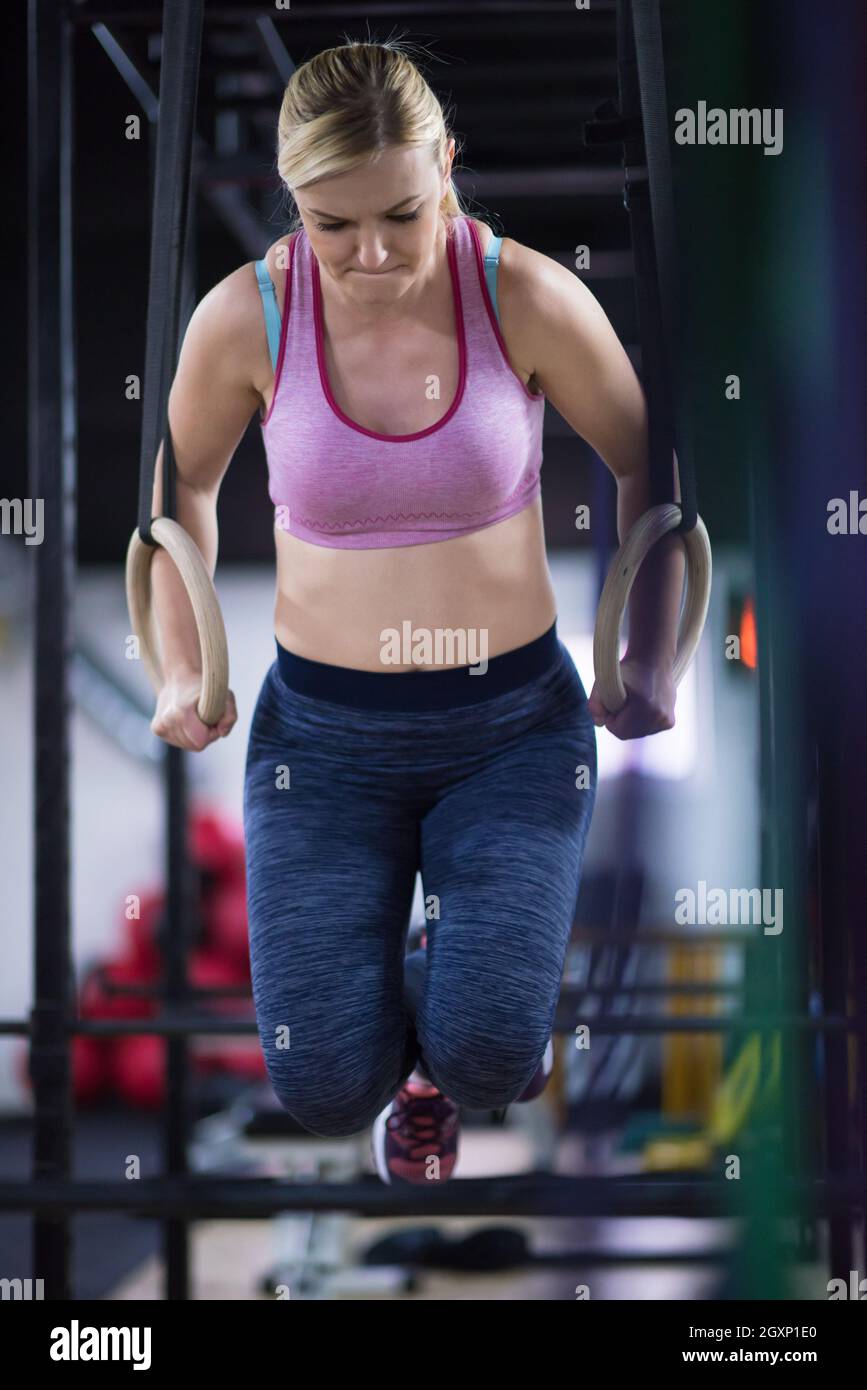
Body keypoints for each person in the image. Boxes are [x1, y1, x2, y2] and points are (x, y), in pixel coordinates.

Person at [147, 40, 685, 1185]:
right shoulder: (245, 320)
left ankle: (460, 1026)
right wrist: (178, 669)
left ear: (447, 161)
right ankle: (428, 1019)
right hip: (322, 747)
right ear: (289, 199)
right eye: (330, 225)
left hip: (513, 734)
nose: (372, 253)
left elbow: (652, 470)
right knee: (323, 1084)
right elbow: (176, 499)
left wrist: (651, 659)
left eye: (401, 210)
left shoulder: (526, 294)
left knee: (498, 1058)